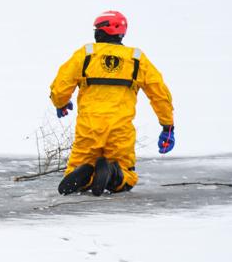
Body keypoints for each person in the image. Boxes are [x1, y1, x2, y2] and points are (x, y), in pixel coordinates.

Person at [50, 11, 175, 196]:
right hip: (120, 129)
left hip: (88, 128)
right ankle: (113, 174)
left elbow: (61, 85)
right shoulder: (136, 58)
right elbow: (159, 94)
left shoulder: (86, 54)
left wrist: (60, 103)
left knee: (75, 170)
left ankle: (88, 177)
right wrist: (167, 127)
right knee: (127, 176)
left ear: (101, 31)